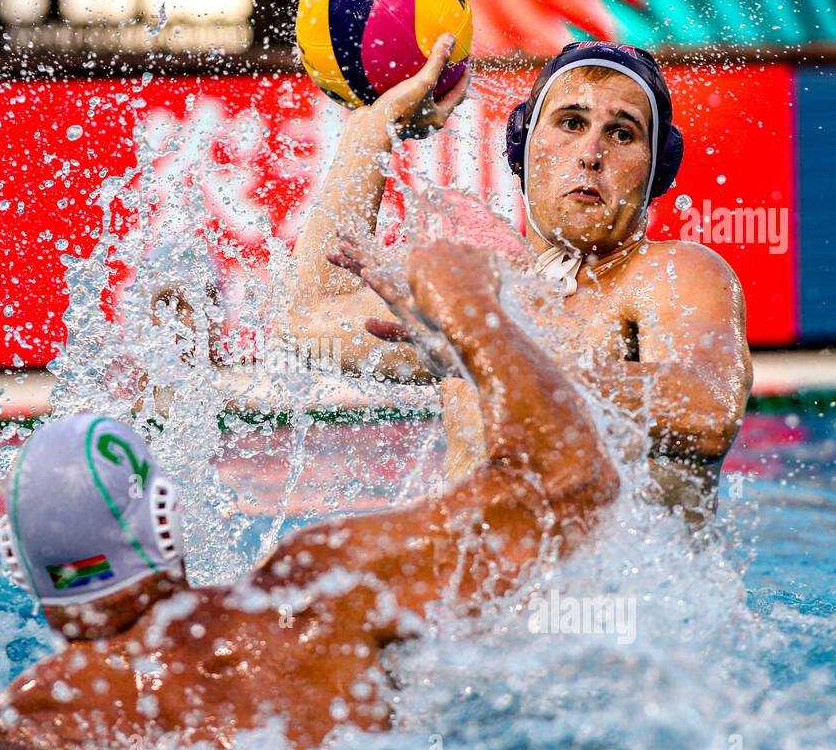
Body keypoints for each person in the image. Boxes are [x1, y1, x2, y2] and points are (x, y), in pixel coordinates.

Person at [0, 238, 619, 750]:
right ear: (165, 524)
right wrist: (471, 308)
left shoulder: (25, 722)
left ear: (25, 565)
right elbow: (570, 484)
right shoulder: (317, 597)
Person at [287, 36, 752, 520]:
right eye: (571, 123)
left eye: (622, 134)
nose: (591, 153)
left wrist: (492, 353)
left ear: (657, 171)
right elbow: (304, 325)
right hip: (483, 589)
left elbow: (707, 410)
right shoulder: (481, 295)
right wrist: (371, 127)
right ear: (521, 147)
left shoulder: (672, 273)